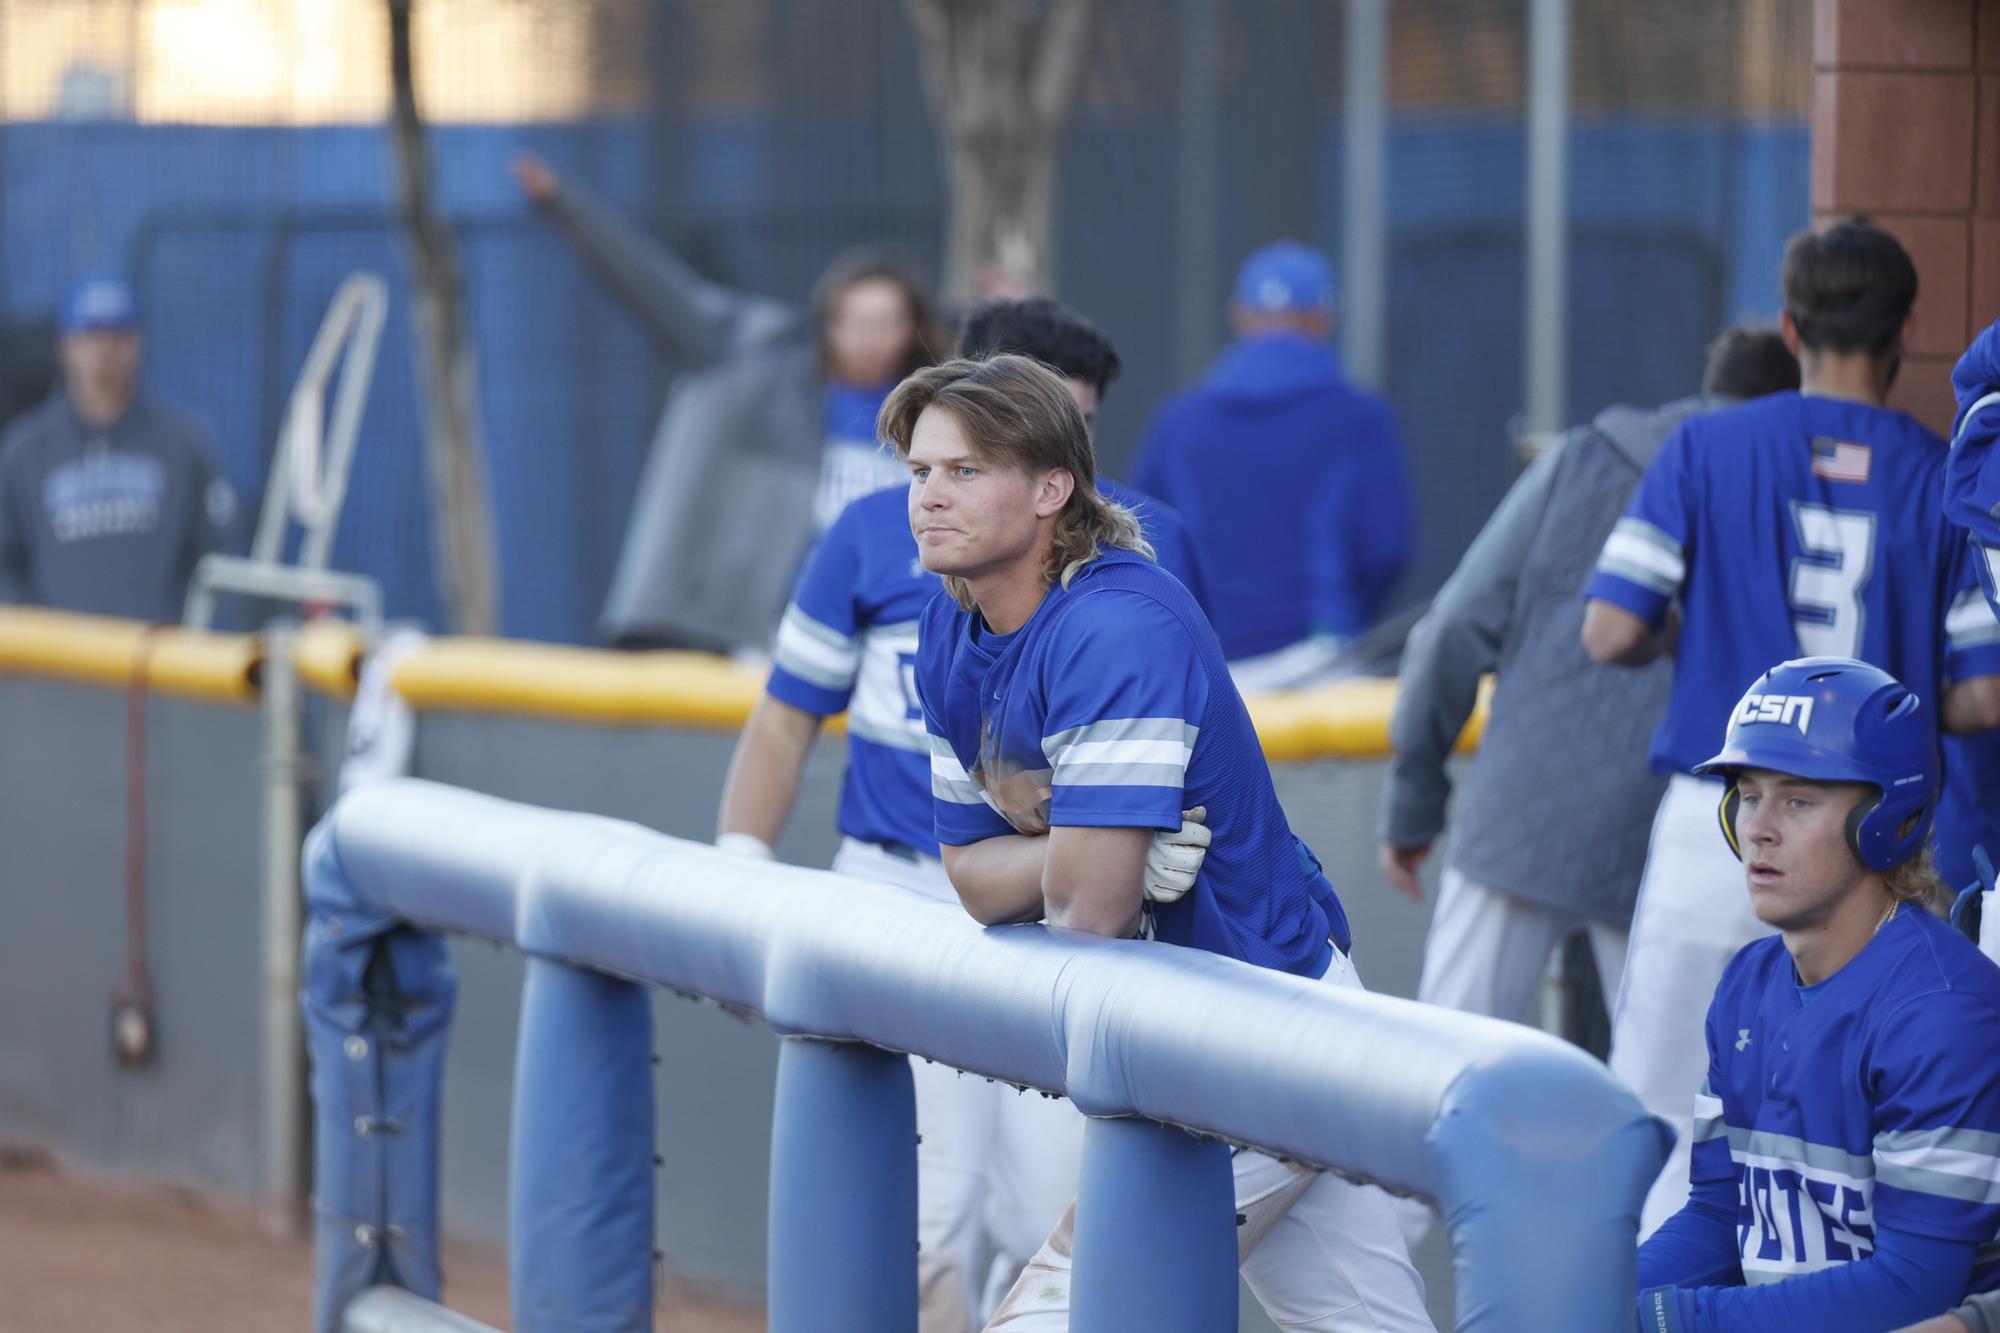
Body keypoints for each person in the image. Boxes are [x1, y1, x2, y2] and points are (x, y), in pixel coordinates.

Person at [890, 354, 1433, 1331]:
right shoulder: (946, 628)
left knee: (1059, 1316)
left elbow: (1086, 913)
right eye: (920, 471)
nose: (929, 495)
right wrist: (1080, 844)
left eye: (964, 470)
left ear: (1051, 488)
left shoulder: (1115, 625)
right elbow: (973, 878)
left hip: (1261, 1028)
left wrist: (1076, 864)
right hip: (1170, 1033)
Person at [715, 299, 1207, 1331]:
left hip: (1078, 911)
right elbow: (784, 717)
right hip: (903, 883)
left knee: (1047, 1209)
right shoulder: (885, 536)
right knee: (925, 1214)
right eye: (963, 452)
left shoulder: (1139, 556)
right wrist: (738, 865)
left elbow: (1188, 761)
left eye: (1070, 425)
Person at [1582, 220, 2000, 1236]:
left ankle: (1646, 1302)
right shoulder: (1935, 471)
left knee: (1653, 1122)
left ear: (1789, 327)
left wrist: (1702, 632)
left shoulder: (1706, 443)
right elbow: (1982, 698)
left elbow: (1608, 629)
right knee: (1856, 1135)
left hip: (1725, 818)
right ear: (1904, 330)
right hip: (1870, 836)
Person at [1381, 329, 1798, 1035]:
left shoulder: (1586, 453)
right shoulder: (1785, 482)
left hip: (1520, 812)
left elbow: (1452, 627)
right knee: (1664, 1087)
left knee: (1440, 1071)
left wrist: (1413, 803)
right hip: (1666, 835)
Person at [1635, 657, 2000, 1332]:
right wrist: (1597, 1298)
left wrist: (1669, 1318)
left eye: (1797, 800)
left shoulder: (1943, 1012)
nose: (1758, 828)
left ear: (1886, 819)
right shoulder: (1747, 982)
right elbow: (1720, 1214)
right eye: (1748, 796)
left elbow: (1914, 1288)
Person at [513, 153, 944, 652]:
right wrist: (563, 204)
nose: (869, 338)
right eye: (853, 321)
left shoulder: (933, 409)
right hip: (756, 636)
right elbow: (653, 288)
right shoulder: (759, 355)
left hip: (889, 633)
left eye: (886, 322)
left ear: (912, 326)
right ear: (828, 319)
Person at [1127, 240, 1413, 690]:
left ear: (1241, 316)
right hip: (1322, 667)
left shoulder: (1179, 422)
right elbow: (1385, 548)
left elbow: (1140, 540)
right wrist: (1341, 618)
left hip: (1208, 667)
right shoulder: (1358, 416)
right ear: (1322, 319)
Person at [0, 277, 234, 623]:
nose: (104, 350)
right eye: (91, 335)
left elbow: (216, 559)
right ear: (65, 347)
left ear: (138, 344)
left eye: (117, 335)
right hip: (55, 654)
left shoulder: (185, 442)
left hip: (156, 652)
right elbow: (6, 565)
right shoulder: (24, 451)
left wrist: (186, 630)